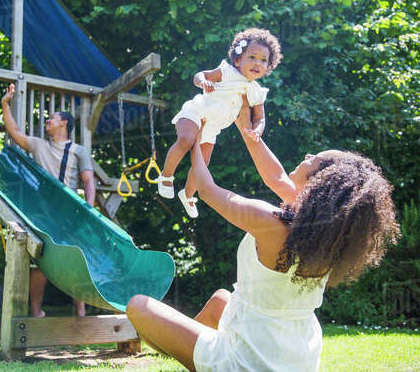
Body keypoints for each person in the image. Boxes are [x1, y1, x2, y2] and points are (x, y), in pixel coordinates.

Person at [127, 105, 399, 371]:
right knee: (222, 299)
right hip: (296, 359)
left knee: (138, 306)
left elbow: (208, 191)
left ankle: (198, 356)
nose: (306, 154)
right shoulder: (323, 236)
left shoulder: (272, 222)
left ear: (319, 184)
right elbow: (277, 177)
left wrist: (198, 141)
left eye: (313, 159)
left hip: (249, 362)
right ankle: (190, 349)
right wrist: (248, 132)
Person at [158, 27, 282, 218]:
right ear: (238, 59)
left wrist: (257, 130)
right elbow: (200, 75)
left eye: (263, 60)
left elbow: (260, 118)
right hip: (198, 111)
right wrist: (203, 83)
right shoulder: (227, 72)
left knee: (203, 162)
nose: (258, 63)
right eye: (252, 57)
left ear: (269, 66)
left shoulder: (257, 91)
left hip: (214, 125)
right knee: (186, 140)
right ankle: (166, 176)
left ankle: (188, 194)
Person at [1, 83, 96, 318]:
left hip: (69, 213)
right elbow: (14, 132)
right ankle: (35, 312)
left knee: (76, 261)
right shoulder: (38, 145)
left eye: (51, 119)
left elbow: (88, 181)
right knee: (40, 262)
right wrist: (5, 104)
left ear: (64, 123)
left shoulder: (78, 151)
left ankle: (80, 309)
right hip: (43, 213)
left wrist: (89, 209)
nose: (47, 121)